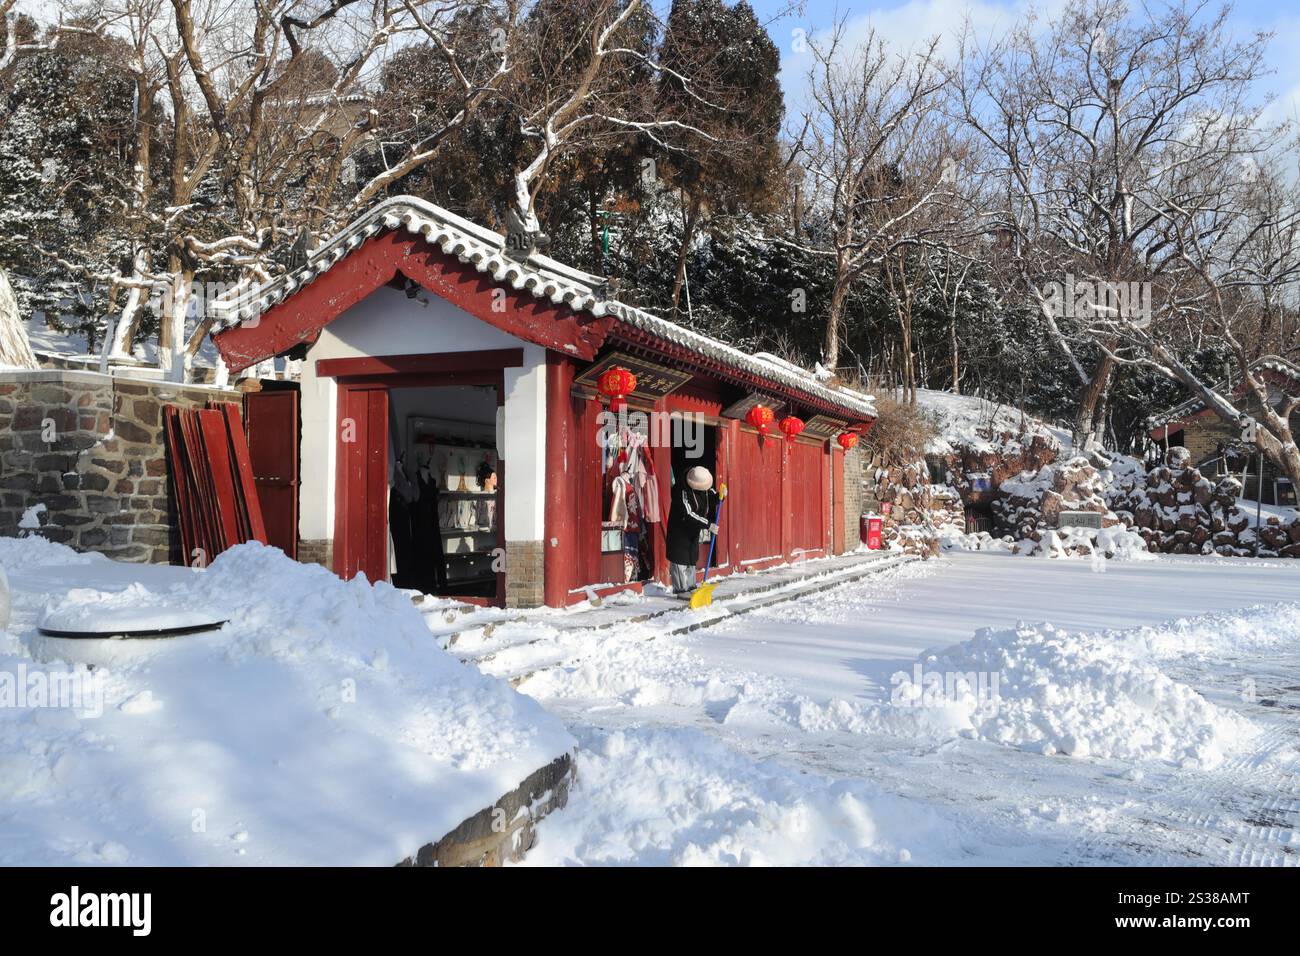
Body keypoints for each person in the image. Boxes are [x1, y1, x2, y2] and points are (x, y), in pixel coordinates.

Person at [666, 465, 719, 598]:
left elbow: (711, 495)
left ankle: (691, 587)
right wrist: (708, 524)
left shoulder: (703, 485)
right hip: (680, 530)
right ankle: (681, 590)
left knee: (691, 558)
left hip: (693, 531)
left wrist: (719, 496)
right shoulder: (681, 491)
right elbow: (689, 514)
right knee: (680, 560)